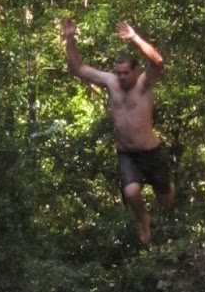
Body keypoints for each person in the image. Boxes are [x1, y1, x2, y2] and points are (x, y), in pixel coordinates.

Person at [62, 17, 176, 246]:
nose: (122, 77)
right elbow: (79, 68)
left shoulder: (144, 84)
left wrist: (135, 38)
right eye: (119, 73)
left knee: (166, 200)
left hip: (151, 151)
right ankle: (144, 220)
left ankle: (168, 192)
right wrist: (70, 38)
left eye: (126, 73)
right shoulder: (110, 82)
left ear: (135, 72)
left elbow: (158, 61)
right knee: (132, 192)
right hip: (127, 154)